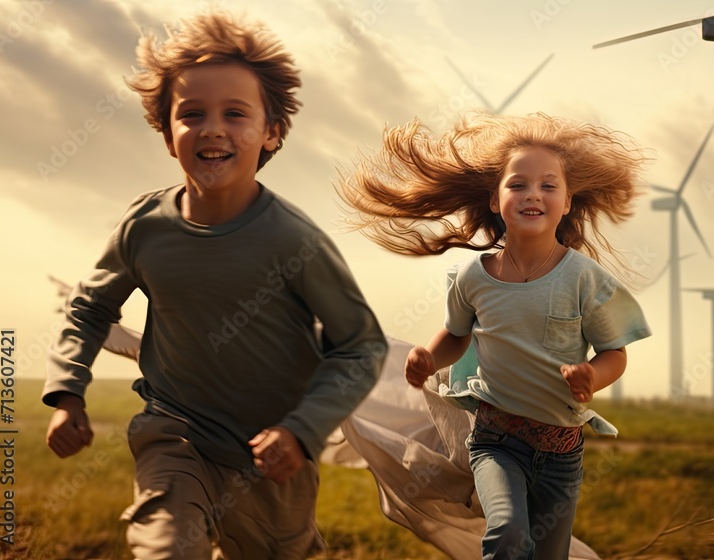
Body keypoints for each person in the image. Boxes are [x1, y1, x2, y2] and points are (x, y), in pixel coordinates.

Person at [42, 10, 387, 560]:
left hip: (272, 458)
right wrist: (66, 395)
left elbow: (360, 345)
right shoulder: (144, 227)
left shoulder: (295, 242)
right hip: (173, 432)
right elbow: (89, 308)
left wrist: (301, 431)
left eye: (236, 113)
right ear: (166, 132)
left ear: (271, 130)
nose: (213, 128)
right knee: (165, 547)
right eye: (192, 113)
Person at [338, 111, 652, 559]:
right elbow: (455, 335)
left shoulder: (584, 279)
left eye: (548, 185)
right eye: (518, 184)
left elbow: (614, 353)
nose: (533, 194)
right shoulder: (475, 277)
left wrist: (592, 376)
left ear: (566, 202)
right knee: (506, 536)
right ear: (494, 198)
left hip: (561, 452)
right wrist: (429, 356)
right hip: (495, 443)